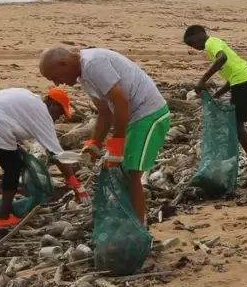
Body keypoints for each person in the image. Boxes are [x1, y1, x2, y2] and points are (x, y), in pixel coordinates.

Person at [39, 47, 171, 225]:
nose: (57, 83)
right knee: (123, 171)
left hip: (150, 114)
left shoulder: (93, 64)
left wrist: (116, 146)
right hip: (136, 119)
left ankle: (139, 228)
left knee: (132, 173)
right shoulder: (84, 77)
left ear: (63, 63)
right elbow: (105, 113)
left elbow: (121, 103)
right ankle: (129, 220)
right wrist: (94, 144)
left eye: (55, 77)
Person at [0, 87, 87, 229]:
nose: (59, 117)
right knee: (13, 166)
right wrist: (75, 184)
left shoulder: (28, 96)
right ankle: (4, 218)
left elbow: (10, 116)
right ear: (53, 104)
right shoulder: (42, 113)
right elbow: (58, 154)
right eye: (60, 112)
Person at [182, 25, 247, 187]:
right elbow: (232, 73)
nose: (194, 47)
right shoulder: (213, 46)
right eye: (190, 46)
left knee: (237, 127)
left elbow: (222, 58)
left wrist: (203, 80)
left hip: (243, 82)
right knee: (237, 126)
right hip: (242, 81)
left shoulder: (211, 43)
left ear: (199, 34)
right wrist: (219, 93)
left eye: (192, 42)